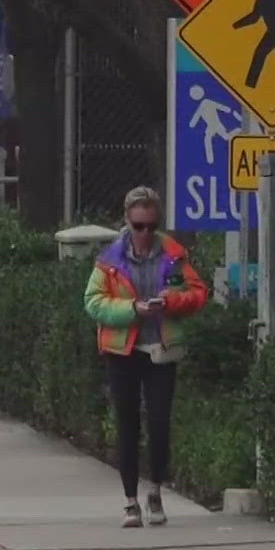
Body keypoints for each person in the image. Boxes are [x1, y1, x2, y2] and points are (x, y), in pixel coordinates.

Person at [83, 187, 210, 527]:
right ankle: (130, 501)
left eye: (151, 226)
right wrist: (131, 309)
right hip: (122, 350)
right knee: (127, 424)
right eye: (138, 226)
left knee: (159, 421)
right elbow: (94, 302)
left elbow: (198, 293)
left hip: (161, 349)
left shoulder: (172, 254)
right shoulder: (110, 260)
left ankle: (154, 491)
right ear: (127, 221)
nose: (145, 234)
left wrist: (172, 301)